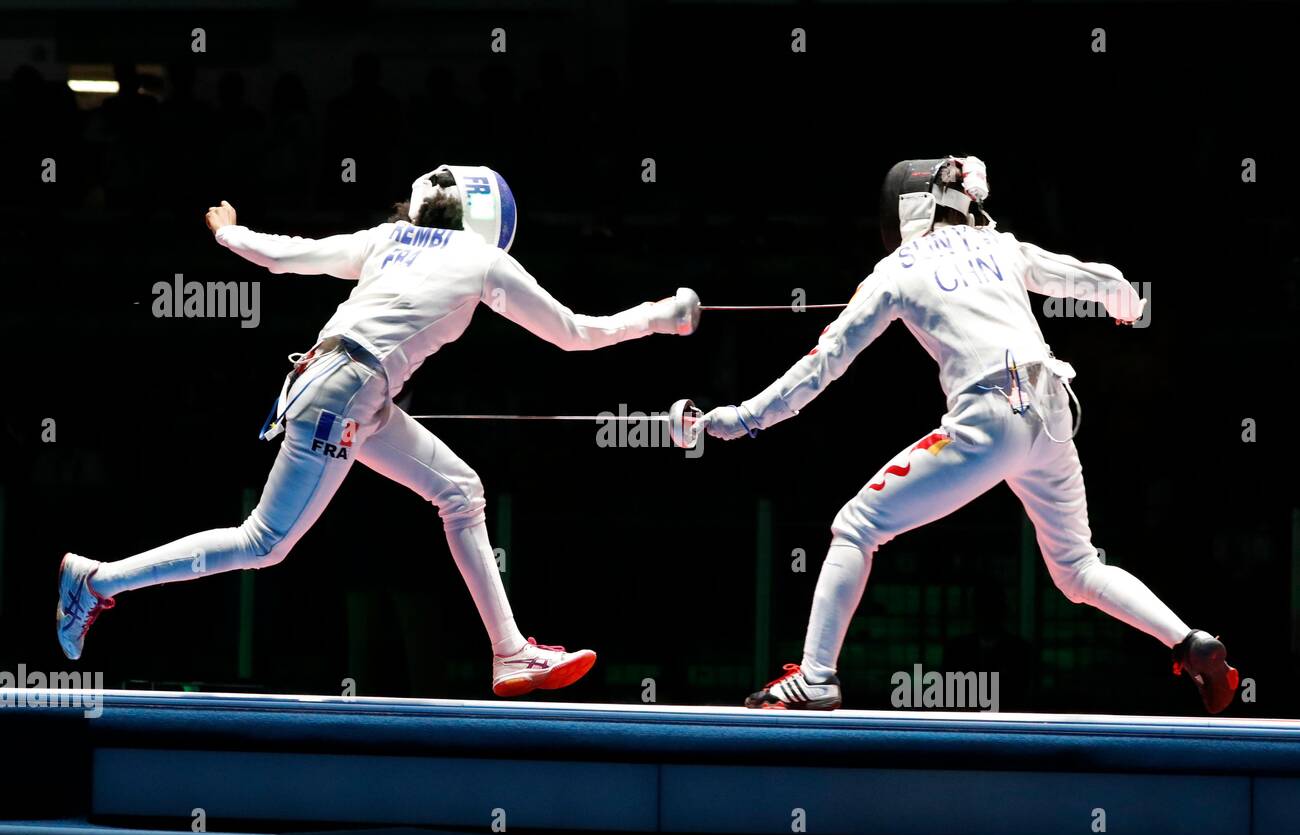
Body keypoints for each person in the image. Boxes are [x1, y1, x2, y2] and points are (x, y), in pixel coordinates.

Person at [57, 164, 701, 698]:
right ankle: (98, 580)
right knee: (264, 542)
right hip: (346, 393)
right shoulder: (482, 259)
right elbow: (576, 334)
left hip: (343, 386)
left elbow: (285, 256)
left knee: (460, 491)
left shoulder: (390, 238)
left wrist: (230, 234)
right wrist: (659, 316)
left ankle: (510, 652)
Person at [701, 156, 1237, 714]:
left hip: (990, 416)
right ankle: (1189, 642)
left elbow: (823, 365)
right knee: (1078, 567)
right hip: (1053, 413)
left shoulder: (895, 270)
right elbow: (1092, 279)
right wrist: (1126, 302)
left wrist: (745, 418)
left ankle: (816, 678)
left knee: (857, 526)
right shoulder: (999, 246)